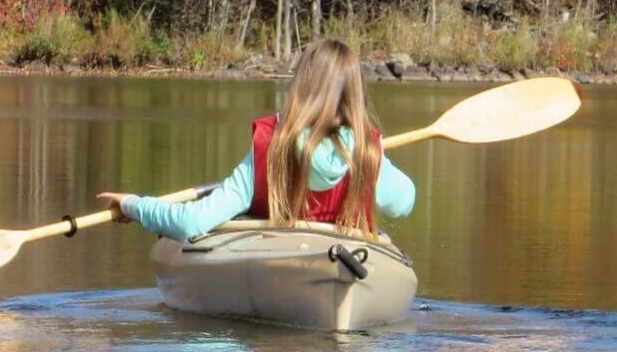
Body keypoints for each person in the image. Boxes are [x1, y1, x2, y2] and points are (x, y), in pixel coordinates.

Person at [98, 39, 415, 241]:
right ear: (356, 93)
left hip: (279, 261)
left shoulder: (271, 144)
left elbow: (190, 223)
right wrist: (376, 155)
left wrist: (135, 204)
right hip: (348, 263)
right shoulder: (369, 152)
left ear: (302, 85)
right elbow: (404, 203)